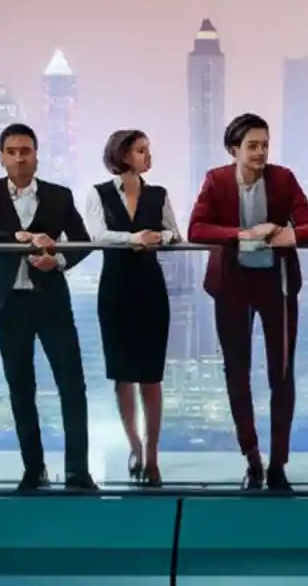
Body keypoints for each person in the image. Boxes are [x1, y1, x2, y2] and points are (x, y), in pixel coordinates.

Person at [188, 112, 308, 491]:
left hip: (275, 285)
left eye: (265, 145)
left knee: (281, 373)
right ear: (235, 150)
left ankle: (278, 463)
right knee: (237, 371)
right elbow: (196, 229)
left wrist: (281, 234)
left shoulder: (283, 178)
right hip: (232, 285)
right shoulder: (216, 180)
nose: (261, 152)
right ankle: (252, 458)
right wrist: (244, 234)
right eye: (252, 146)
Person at [0, 123, 97, 491]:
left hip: (51, 302)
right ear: (2, 157)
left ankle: (77, 473)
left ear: (37, 155)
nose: (19, 157)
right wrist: (19, 238)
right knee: (20, 387)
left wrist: (59, 262)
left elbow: (83, 243)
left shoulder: (59, 195)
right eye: (12, 151)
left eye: (26, 150)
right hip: (9, 304)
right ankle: (33, 470)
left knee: (73, 386)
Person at [84, 129, 181, 488]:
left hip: (151, 289)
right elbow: (96, 235)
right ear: (123, 155)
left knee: (151, 377)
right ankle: (135, 448)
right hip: (115, 291)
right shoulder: (99, 194)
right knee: (123, 376)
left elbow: (175, 234)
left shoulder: (158, 194)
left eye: (148, 149)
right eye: (141, 150)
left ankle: (152, 456)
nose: (147, 155)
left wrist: (160, 237)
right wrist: (134, 238)